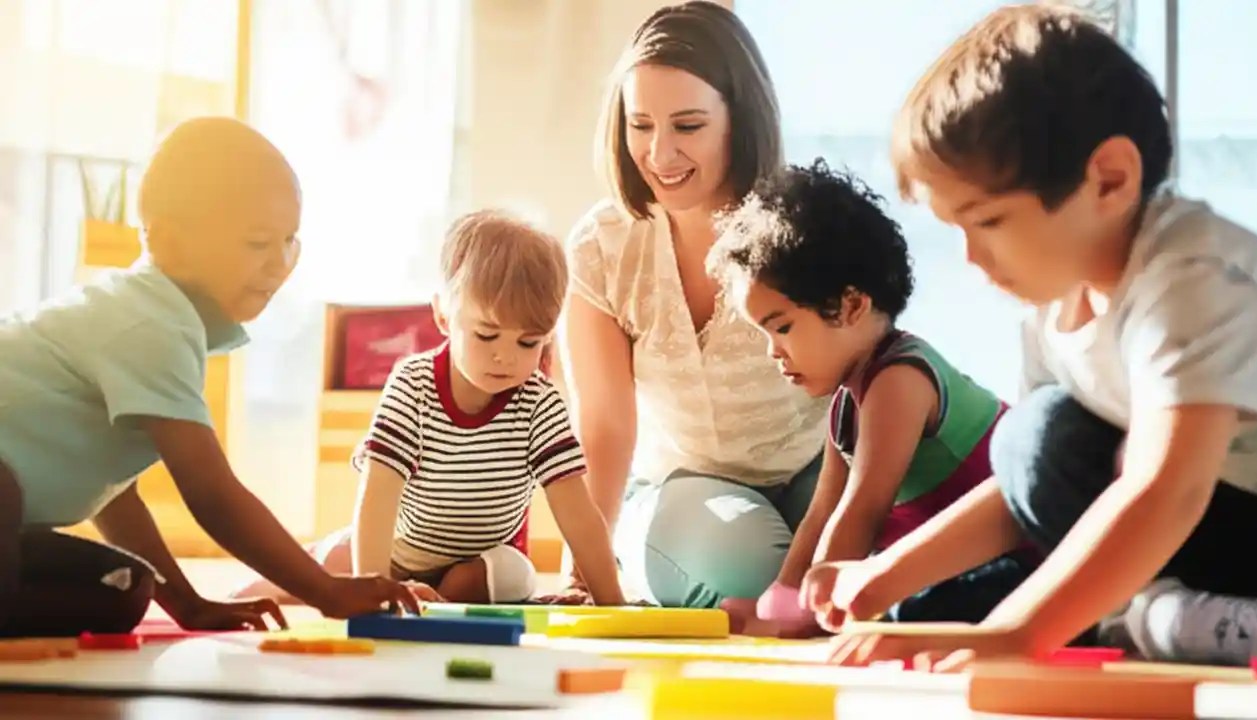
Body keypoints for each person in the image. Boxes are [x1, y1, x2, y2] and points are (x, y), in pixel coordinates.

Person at [817, 4, 1257, 669]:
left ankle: (1172, 620)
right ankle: (1172, 619)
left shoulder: (1193, 278)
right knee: (1034, 437)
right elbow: (1023, 487)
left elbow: (1166, 488)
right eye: (956, 228)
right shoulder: (1055, 304)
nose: (971, 259)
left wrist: (1015, 637)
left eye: (989, 221)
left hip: (1239, 515)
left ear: (1109, 180)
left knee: (1032, 499)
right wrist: (885, 573)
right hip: (1219, 526)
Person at [0, 117, 418, 638]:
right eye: (258, 243)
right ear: (171, 245)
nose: (280, 263)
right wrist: (325, 590)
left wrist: (187, 604)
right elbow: (211, 492)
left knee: (126, 588)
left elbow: (114, 492)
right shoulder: (147, 324)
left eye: (290, 240)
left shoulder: (162, 321)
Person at [559, 0, 829, 611]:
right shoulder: (603, 246)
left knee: (881, 563)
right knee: (751, 570)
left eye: (687, 126)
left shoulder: (804, 225)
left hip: (819, 468)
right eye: (640, 124)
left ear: (740, 118)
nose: (659, 154)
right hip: (687, 488)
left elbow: (868, 381)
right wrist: (583, 573)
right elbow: (603, 426)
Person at [234, 211, 627, 606]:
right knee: (313, 576)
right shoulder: (414, 385)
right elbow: (377, 495)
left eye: (529, 343)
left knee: (509, 575)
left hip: (479, 561)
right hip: (397, 550)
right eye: (486, 335)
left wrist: (613, 603)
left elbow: (579, 513)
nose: (505, 357)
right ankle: (270, 588)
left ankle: (437, 598)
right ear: (442, 315)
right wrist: (376, 584)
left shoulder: (538, 403)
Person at [707, 159, 1028, 634]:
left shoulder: (900, 380)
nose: (774, 352)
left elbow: (862, 512)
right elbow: (824, 512)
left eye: (783, 328)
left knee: (919, 613)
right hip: (951, 566)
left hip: (1020, 558)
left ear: (852, 305)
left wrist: (809, 620)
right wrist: (777, 602)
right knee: (909, 606)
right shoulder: (845, 403)